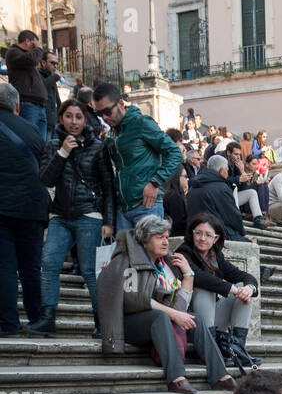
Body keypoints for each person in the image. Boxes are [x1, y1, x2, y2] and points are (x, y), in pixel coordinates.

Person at [97, 215, 234, 394]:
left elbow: (180, 307)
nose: (165, 242)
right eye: (159, 237)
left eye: (166, 237)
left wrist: (188, 275)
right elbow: (132, 300)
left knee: (196, 319)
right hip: (128, 323)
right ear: (144, 239)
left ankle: (220, 375)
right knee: (160, 316)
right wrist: (172, 313)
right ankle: (176, 378)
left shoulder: (166, 264)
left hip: (160, 323)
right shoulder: (127, 260)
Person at [30, 96, 115, 338]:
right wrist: (63, 152)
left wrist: (109, 221)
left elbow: (108, 186)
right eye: (69, 116)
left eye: (78, 117)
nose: (74, 121)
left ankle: (101, 322)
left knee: (90, 271)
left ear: (85, 119)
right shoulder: (52, 144)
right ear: (61, 118)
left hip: (90, 214)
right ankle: (48, 318)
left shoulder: (98, 147)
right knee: (49, 263)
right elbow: (45, 179)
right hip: (60, 215)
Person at [92, 82, 182, 230]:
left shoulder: (141, 123)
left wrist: (155, 183)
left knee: (147, 253)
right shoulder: (112, 133)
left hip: (146, 206)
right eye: (99, 113)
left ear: (121, 103)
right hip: (123, 209)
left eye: (107, 111)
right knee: (126, 254)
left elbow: (174, 153)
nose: (104, 117)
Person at [176, 211, 258, 372]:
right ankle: (209, 350)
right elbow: (199, 277)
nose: (202, 238)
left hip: (213, 321)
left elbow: (244, 276)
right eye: (198, 233)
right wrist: (232, 289)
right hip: (191, 323)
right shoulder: (184, 252)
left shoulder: (215, 257)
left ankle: (236, 348)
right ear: (191, 234)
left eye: (208, 235)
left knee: (244, 289)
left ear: (216, 238)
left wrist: (248, 288)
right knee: (205, 288)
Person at [0, 80, 48, 335]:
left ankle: (8, 324)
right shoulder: (32, 130)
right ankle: (37, 320)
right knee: (31, 267)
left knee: (5, 267)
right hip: (32, 208)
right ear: (17, 106)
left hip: (2, 208)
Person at [186, 156, 248, 241]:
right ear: (221, 171)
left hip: (194, 231)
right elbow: (233, 215)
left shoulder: (193, 186)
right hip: (217, 232)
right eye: (227, 170)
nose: (227, 173)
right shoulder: (222, 188)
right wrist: (242, 232)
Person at [5, 30, 48, 139]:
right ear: (28, 41)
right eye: (34, 44)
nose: (36, 48)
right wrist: (38, 49)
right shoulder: (13, 53)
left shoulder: (27, 57)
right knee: (29, 139)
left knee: (41, 143)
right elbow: (32, 59)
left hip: (39, 106)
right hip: (28, 104)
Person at [39, 47, 62, 135]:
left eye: (57, 63)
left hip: (54, 123)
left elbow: (57, 100)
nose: (55, 66)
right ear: (43, 63)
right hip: (45, 124)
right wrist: (55, 77)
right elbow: (41, 88)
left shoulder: (52, 78)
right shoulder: (38, 75)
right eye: (52, 63)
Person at [163, 167, 189, 235]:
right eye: (185, 176)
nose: (188, 179)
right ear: (177, 177)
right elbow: (180, 224)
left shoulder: (167, 194)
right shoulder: (175, 197)